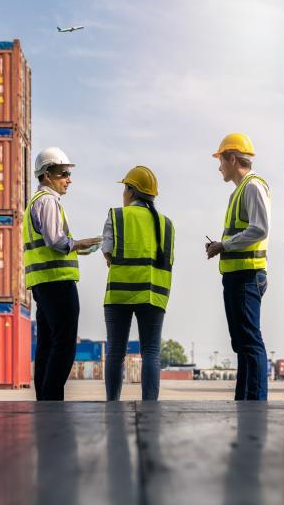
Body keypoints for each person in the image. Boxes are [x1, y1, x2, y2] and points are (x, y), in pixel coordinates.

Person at [23, 147, 101, 401]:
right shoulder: (47, 201)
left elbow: (53, 245)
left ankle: (45, 400)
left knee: (47, 343)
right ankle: (52, 400)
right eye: (64, 173)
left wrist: (80, 249)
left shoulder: (37, 202)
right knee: (64, 344)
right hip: (56, 283)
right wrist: (80, 243)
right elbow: (56, 241)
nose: (69, 179)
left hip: (44, 283)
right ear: (47, 175)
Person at [204, 133, 270, 401]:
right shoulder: (239, 191)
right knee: (242, 342)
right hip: (237, 276)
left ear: (232, 158)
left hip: (247, 275)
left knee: (250, 341)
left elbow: (259, 229)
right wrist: (222, 245)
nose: (219, 167)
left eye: (221, 160)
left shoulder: (253, 187)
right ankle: (244, 401)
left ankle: (254, 402)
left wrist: (224, 246)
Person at [101, 165, 175, 401]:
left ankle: (112, 403)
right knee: (151, 352)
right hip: (154, 295)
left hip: (119, 294)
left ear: (131, 191)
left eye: (125, 189)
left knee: (115, 352)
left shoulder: (117, 215)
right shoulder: (167, 224)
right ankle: (150, 405)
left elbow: (107, 251)